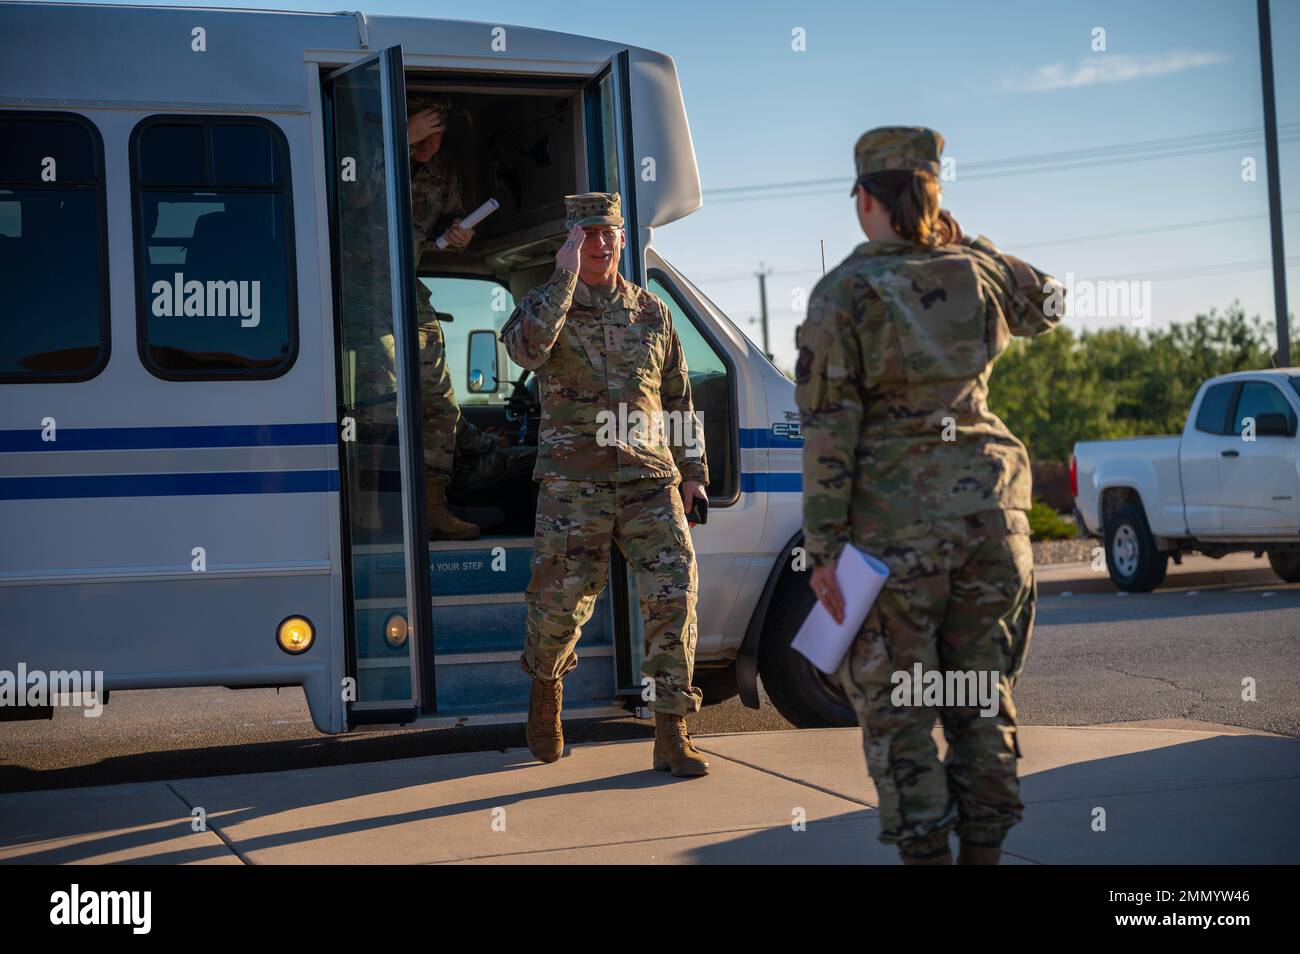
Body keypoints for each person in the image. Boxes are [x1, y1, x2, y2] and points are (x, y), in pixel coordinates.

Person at [795, 126, 1064, 864]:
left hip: (895, 538)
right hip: (990, 519)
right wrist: (969, 241)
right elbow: (1050, 303)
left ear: (866, 198)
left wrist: (821, 552)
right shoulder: (977, 269)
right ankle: (984, 854)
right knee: (981, 702)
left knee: (902, 714)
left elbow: (828, 432)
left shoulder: (844, 292)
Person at [500, 192, 711, 776]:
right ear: (569, 243)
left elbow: (678, 399)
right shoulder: (543, 304)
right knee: (560, 605)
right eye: (585, 234)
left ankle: (672, 731)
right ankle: (546, 686)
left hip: (650, 479)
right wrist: (563, 282)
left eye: (606, 233)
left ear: (623, 240)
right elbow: (526, 352)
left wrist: (693, 474)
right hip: (574, 485)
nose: (598, 243)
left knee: (675, 594)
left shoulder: (652, 312)